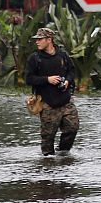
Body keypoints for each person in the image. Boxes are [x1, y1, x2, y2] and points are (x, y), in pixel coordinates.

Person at [25, 26, 79, 156]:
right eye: (36, 39)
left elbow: (72, 71)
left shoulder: (63, 55)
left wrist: (67, 81)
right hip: (47, 103)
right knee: (48, 137)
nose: (37, 42)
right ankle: (47, 163)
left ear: (49, 40)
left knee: (72, 128)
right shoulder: (35, 58)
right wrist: (47, 79)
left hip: (66, 100)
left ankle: (63, 155)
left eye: (40, 39)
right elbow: (29, 79)